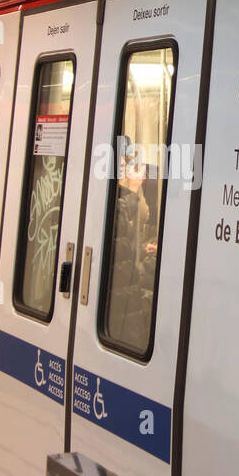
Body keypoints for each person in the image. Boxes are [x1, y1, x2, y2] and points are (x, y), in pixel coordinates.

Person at [105, 146, 158, 351]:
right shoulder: (113, 199)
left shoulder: (118, 194)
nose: (125, 165)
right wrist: (134, 190)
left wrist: (144, 250)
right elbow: (118, 227)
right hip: (120, 301)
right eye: (121, 161)